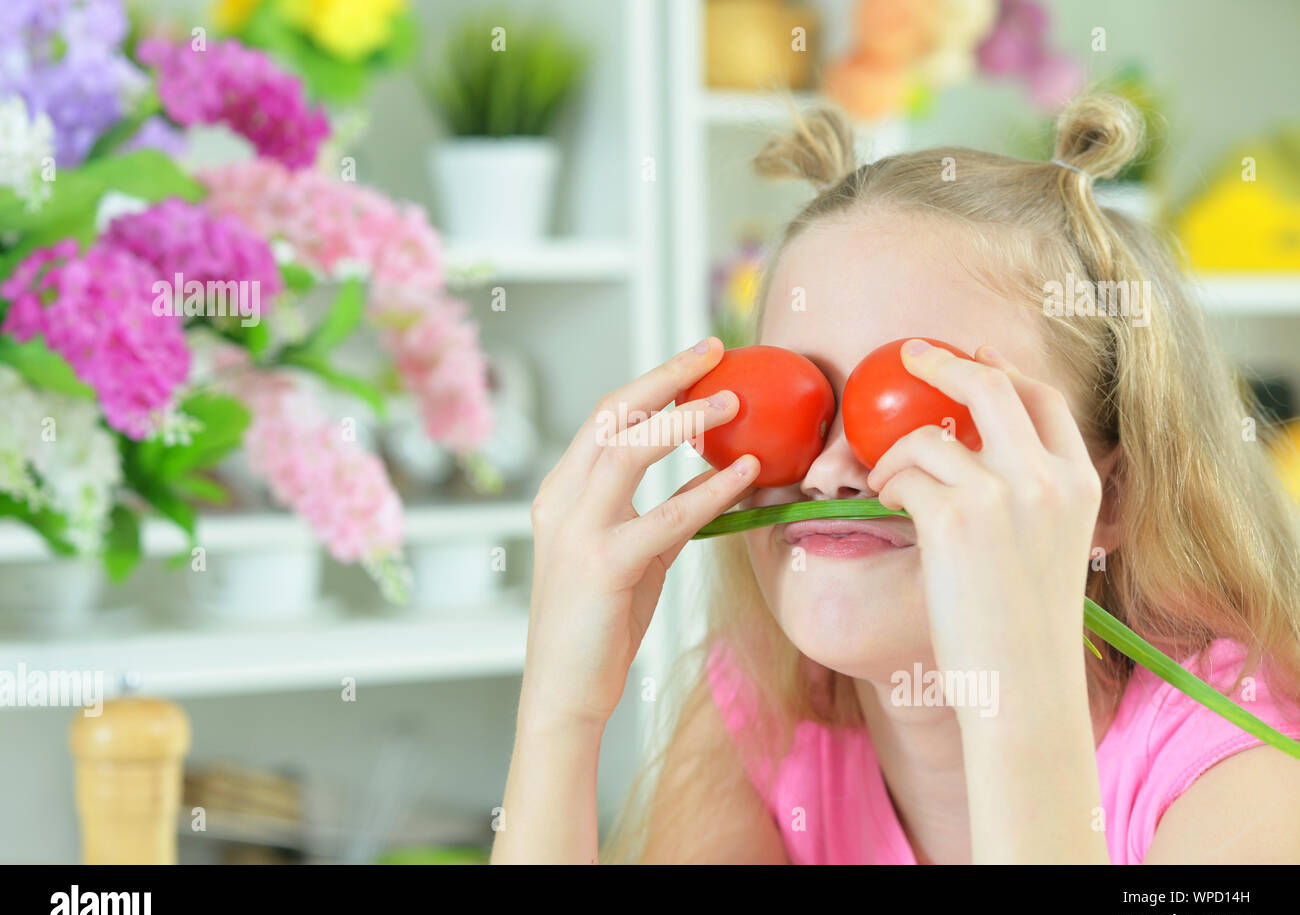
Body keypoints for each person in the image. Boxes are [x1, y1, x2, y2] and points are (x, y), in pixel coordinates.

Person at [492, 93, 1300, 864]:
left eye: (921, 415)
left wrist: (1016, 696)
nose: (831, 471)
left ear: (1110, 498)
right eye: (788, 406)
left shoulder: (1240, 787)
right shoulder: (770, 711)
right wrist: (560, 712)